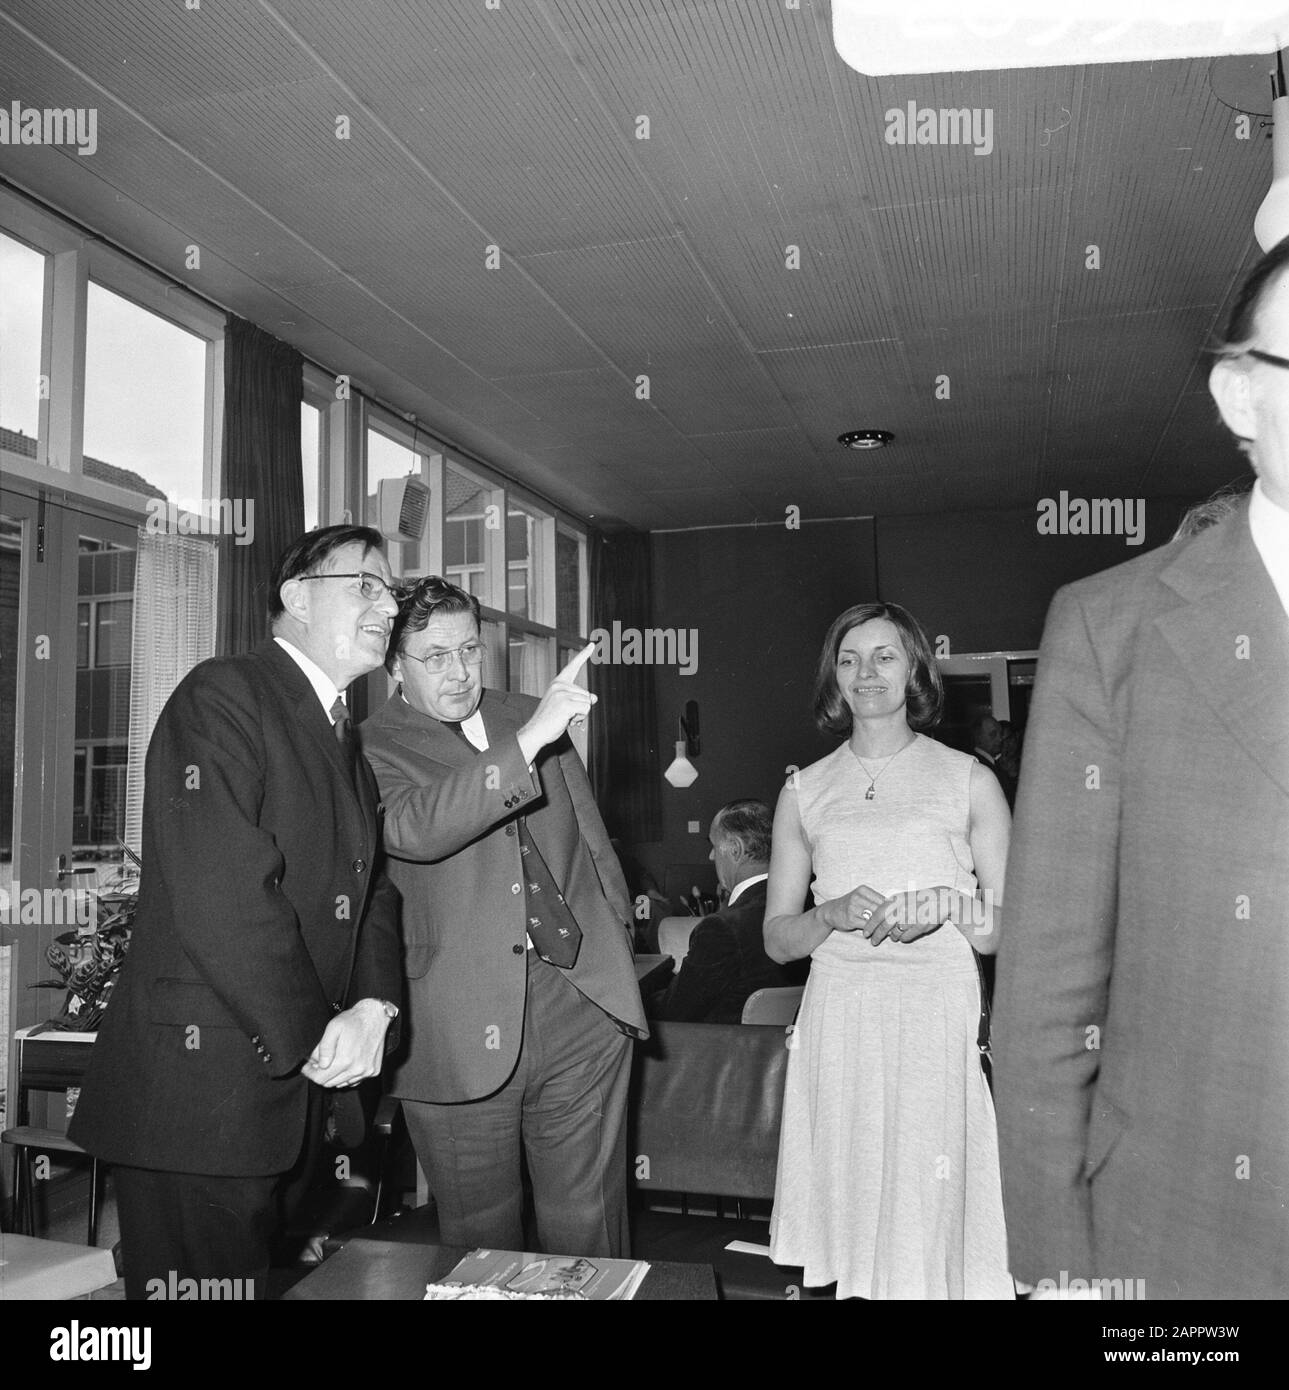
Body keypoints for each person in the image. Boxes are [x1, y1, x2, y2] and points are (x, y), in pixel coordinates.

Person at [992, 238, 1289, 1301]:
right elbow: (1044, 992)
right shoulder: (1110, 629)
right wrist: (1057, 1266)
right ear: (1239, 394)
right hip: (1185, 1234)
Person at [70, 524, 404, 1299]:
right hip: (197, 1100)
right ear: (295, 596)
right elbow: (224, 891)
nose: (387, 605)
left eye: (391, 591)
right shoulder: (223, 695)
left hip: (285, 1098)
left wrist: (374, 1006)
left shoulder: (341, 737)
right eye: (366, 584)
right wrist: (321, 1031)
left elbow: (373, 891)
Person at [359, 576, 647, 1257]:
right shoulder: (366, 748)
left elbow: (590, 839)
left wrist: (613, 950)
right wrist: (531, 740)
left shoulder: (526, 713)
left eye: (469, 650)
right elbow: (416, 828)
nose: (459, 672)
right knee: (480, 1241)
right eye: (435, 657)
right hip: (455, 1025)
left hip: (578, 1001)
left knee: (591, 1226)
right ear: (393, 664)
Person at [764, 601, 1012, 1300]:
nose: (865, 673)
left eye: (884, 656)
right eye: (848, 659)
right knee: (853, 1194)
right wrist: (830, 913)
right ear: (832, 678)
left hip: (935, 1013)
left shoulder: (969, 779)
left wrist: (946, 905)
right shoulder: (804, 790)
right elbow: (778, 940)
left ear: (914, 671)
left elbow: (1001, 927)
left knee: (926, 1204)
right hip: (840, 1015)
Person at [648, 798, 806, 1023]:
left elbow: (674, 1011)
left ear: (735, 849)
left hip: (726, 1050)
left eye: (713, 846)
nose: (711, 856)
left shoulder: (721, 928)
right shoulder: (809, 907)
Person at [970, 712, 1016, 809]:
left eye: (1000, 734)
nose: (1000, 739)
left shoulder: (994, 763)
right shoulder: (979, 766)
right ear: (979, 737)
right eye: (993, 734)